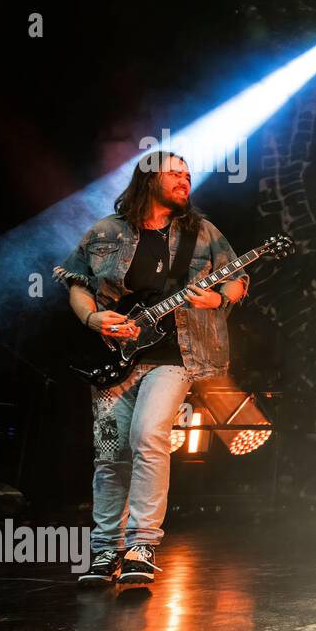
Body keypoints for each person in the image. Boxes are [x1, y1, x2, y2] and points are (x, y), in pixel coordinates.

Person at [54, 151, 248, 586]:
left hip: (175, 358)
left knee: (148, 436)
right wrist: (91, 318)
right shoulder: (106, 231)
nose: (185, 180)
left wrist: (219, 299)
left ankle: (142, 544)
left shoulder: (203, 233)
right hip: (111, 360)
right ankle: (106, 551)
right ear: (148, 178)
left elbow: (235, 279)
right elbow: (76, 283)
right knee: (110, 455)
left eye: (188, 174)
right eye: (175, 173)